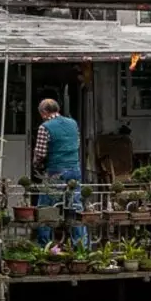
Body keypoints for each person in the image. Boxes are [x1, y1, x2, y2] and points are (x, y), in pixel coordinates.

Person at [32, 99, 86, 246]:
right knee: (75, 207)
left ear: (44, 112)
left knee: (47, 209)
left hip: (55, 170)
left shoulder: (45, 127)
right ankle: (81, 246)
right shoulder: (73, 123)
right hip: (74, 169)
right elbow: (77, 143)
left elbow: (41, 153)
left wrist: (36, 165)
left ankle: (45, 245)